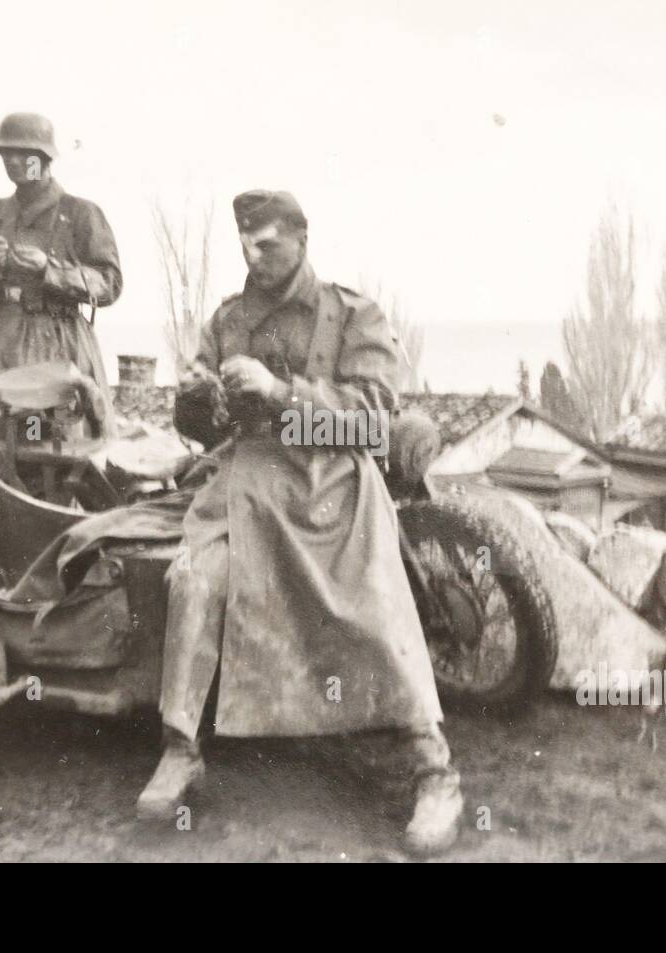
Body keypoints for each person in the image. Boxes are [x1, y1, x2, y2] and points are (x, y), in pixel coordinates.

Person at [137, 189, 463, 855]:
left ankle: (435, 772)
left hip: (332, 488)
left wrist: (283, 392)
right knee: (195, 579)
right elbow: (200, 428)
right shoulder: (228, 319)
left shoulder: (352, 314)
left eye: (267, 243)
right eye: (247, 245)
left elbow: (373, 421)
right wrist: (199, 406)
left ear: (300, 238)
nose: (255, 256)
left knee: (376, 605)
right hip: (243, 488)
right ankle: (180, 747)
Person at [0, 112, 122, 451]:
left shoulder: (80, 214)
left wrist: (51, 271)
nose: (12, 161)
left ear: (43, 158)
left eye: (22, 154)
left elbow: (109, 282)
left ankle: (42, 500)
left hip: (55, 346)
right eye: (5, 155)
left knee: (47, 450)